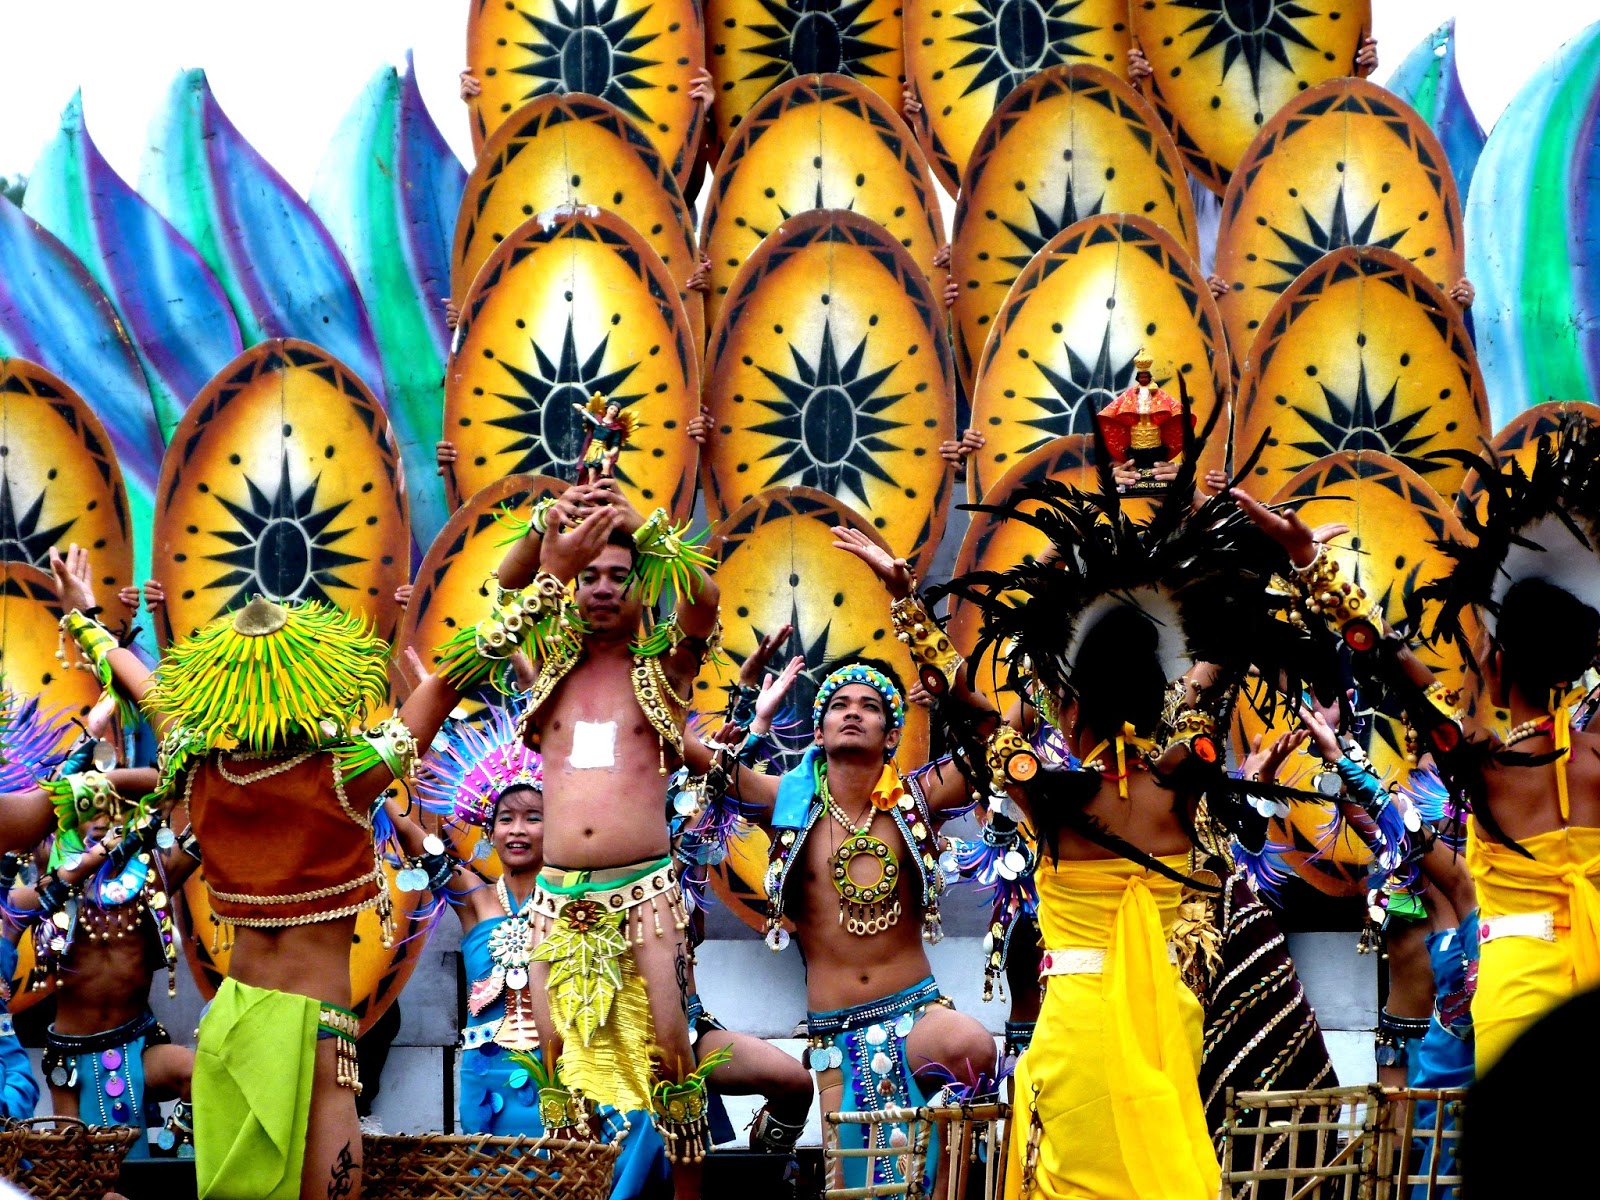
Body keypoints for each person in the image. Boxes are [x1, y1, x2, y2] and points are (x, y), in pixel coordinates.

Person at [909, 426, 1323, 1200]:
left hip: (1078, 1033)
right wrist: (1284, 561)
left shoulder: (1049, 793)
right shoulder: (1186, 780)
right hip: (1168, 1022)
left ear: (1068, 710)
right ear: (1158, 698)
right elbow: (1217, 669)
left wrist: (907, 597)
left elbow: (961, 698)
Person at [52, 542, 467, 1200]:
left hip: (232, 1027)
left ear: (223, 688)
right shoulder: (348, 774)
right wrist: (540, 581)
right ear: (313, 683)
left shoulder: (199, 761)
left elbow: (139, 680)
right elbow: (446, 682)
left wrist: (83, 619)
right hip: (316, 1032)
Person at [1233, 416, 1600, 1077]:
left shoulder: (1484, 761)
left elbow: (1384, 654)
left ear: (1496, 665)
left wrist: (1310, 563)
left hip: (1515, 987)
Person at [444, 477, 719, 1200]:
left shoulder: (661, 672)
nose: (602, 589)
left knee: (670, 1061)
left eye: (620, 578)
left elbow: (704, 604)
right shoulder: (552, 674)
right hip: (557, 906)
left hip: (646, 897)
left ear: (641, 586)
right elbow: (504, 594)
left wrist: (645, 526)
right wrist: (549, 526)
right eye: (590, 576)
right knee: (558, 1069)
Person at [697, 536, 998, 1196]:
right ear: (820, 731)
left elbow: (993, 745)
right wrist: (747, 701)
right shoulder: (786, 803)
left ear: (892, 733)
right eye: (839, 704)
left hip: (918, 1013)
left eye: (869, 705)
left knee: (972, 1046)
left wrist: (907, 604)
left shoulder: (916, 799)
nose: (853, 711)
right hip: (837, 1032)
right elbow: (701, 765)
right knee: (857, 1187)